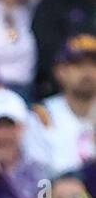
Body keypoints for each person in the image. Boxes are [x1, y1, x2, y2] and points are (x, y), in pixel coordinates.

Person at [29, 34, 96, 176]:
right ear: (60, 71)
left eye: (93, 64)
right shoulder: (43, 115)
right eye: (78, 65)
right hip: (58, 193)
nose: (87, 72)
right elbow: (40, 179)